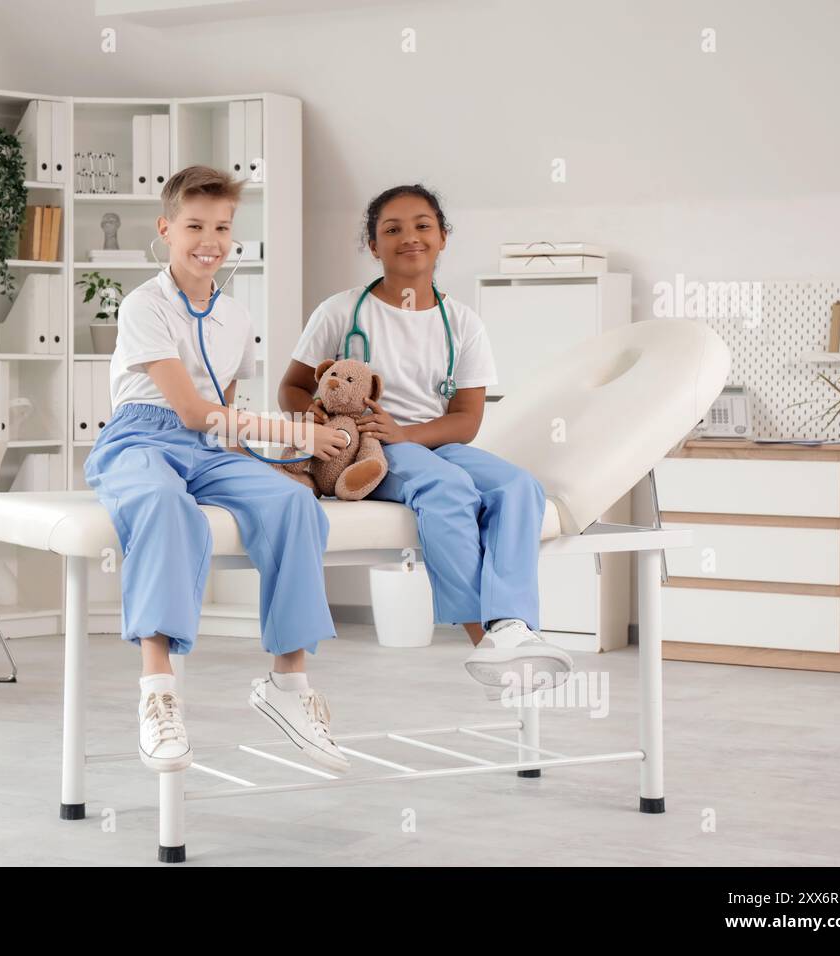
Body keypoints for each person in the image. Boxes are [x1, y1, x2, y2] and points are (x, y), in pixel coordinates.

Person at [85, 165, 354, 775]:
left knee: (291, 505)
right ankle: (158, 694)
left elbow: (224, 413)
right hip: (142, 438)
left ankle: (288, 687)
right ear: (166, 229)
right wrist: (297, 433)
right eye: (195, 225)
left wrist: (262, 465)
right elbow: (186, 407)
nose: (210, 240)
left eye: (222, 227)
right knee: (165, 505)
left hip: (210, 445)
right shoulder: (142, 305)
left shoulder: (237, 317)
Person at [278, 184, 575, 699]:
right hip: (373, 448)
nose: (408, 237)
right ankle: (485, 637)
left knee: (520, 487)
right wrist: (320, 428)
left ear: (442, 238)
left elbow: (466, 419)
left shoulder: (462, 323)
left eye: (422, 226)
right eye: (391, 229)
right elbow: (292, 385)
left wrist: (409, 432)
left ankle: (512, 628)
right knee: (447, 489)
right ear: (373, 245)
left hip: (431, 439)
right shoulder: (341, 312)